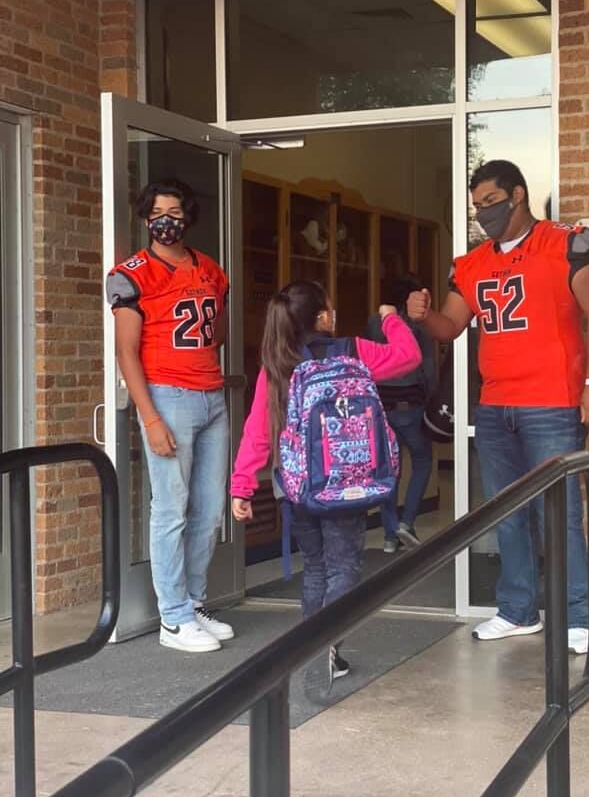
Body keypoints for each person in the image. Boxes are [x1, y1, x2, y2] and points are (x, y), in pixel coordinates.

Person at [407, 160, 589, 656]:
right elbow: (451, 328)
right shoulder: (472, 263)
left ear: (518, 195)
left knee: (560, 513)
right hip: (496, 405)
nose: (485, 214)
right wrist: (423, 316)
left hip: (552, 402)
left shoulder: (566, 242)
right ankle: (519, 611)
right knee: (508, 513)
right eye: (478, 207)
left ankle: (578, 616)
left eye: (492, 203)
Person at [230, 280, 421, 681]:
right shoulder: (352, 350)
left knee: (315, 567)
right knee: (345, 568)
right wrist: (390, 319)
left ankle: (310, 649)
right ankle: (326, 647)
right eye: (329, 307)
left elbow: (258, 430)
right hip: (345, 482)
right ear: (321, 317)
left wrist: (242, 484)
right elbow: (409, 356)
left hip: (297, 485)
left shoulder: (279, 362)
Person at [106, 178, 234, 654]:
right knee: (170, 509)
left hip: (211, 395)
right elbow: (126, 353)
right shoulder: (132, 274)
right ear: (145, 219)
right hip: (168, 396)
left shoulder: (210, 269)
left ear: (188, 215)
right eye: (158, 211)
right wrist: (151, 418)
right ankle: (173, 618)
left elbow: (215, 332)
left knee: (209, 509)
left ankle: (194, 601)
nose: (167, 220)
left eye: (175, 210)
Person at [365, 274, 436, 554]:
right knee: (422, 460)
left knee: (389, 469)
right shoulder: (416, 325)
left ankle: (389, 535)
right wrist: (433, 401)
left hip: (382, 407)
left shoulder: (374, 321)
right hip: (412, 406)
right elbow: (428, 368)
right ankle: (407, 522)